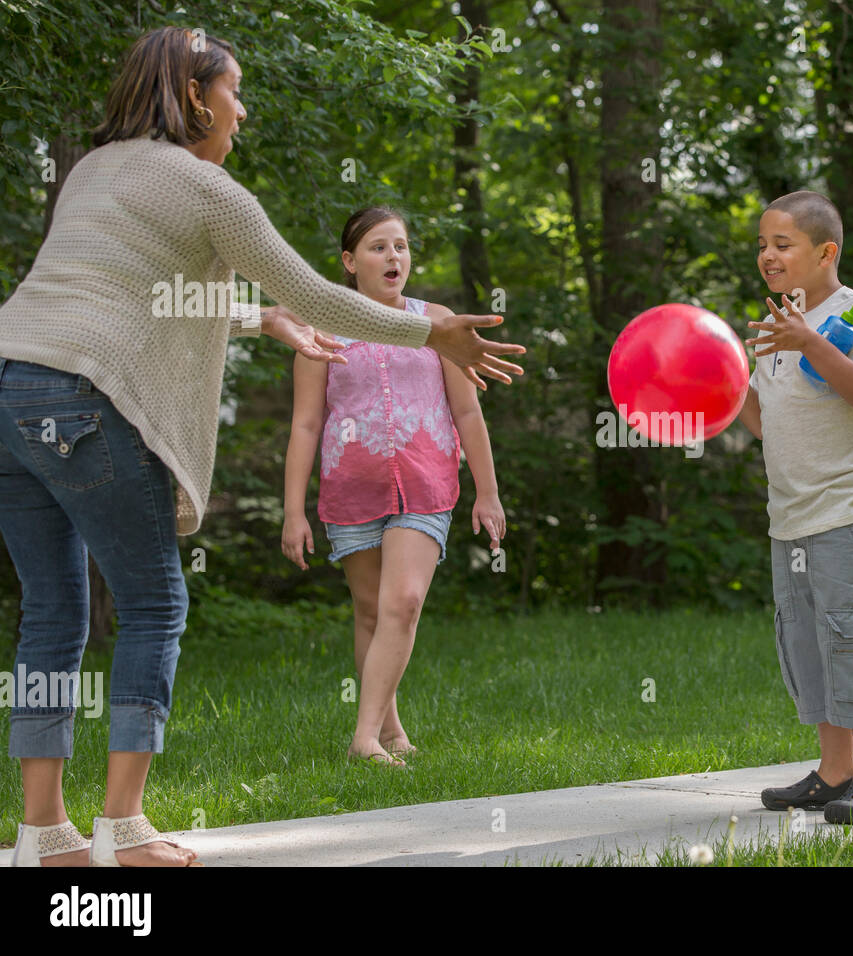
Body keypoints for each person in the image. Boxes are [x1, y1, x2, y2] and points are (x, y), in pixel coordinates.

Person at [0, 27, 524, 867]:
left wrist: (258, 319)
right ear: (197, 98)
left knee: (53, 613)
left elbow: (131, 297)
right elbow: (322, 293)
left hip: (10, 388)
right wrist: (431, 331)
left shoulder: (93, 170)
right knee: (156, 605)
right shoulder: (209, 190)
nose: (242, 111)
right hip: (83, 399)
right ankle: (125, 827)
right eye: (234, 92)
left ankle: (42, 832)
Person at [281, 206, 505, 766]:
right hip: (350, 491)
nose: (394, 257)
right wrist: (293, 511)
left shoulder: (438, 322)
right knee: (370, 613)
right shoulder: (319, 329)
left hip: (426, 485)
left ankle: (362, 739)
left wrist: (489, 492)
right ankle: (392, 731)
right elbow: (306, 422)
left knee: (402, 603)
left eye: (401, 246)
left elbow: (468, 413)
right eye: (379, 247)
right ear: (349, 261)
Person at [738, 190, 853, 825]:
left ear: (825, 251)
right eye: (761, 245)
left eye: (782, 245)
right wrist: (717, 385)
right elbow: (765, 422)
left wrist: (810, 343)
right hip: (792, 518)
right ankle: (833, 774)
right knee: (806, 642)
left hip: (851, 513)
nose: (767, 256)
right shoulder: (778, 324)